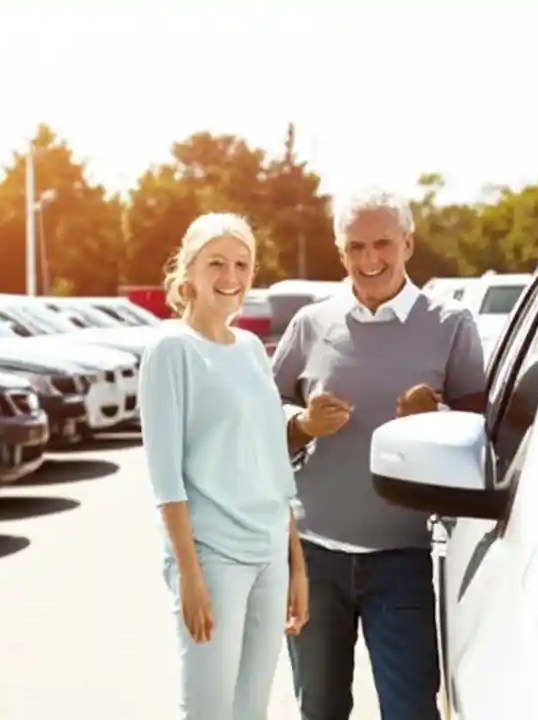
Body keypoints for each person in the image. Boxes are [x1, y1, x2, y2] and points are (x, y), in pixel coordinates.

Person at [272, 187, 486, 720]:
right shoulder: (310, 323)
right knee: (319, 710)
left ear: (408, 243)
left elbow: (482, 436)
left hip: (405, 558)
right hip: (313, 558)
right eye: (356, 247)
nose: (369, 259)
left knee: (410, 711)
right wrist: (301, 424)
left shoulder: (451, 324)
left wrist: (434, 418)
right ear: (340, 250)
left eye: (383, 244)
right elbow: (259, 422)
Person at [138, 212, 309, 720]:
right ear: (188, 272)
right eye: (216, 263)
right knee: (209, 711)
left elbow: (273, 460)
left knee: (251, 710)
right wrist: (189, 575)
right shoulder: (170, 350)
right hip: (213, 558)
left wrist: (296, 564)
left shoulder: (253, 349)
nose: (230, 276)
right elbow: (165, 477)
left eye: (242, 264)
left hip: (269, 552)